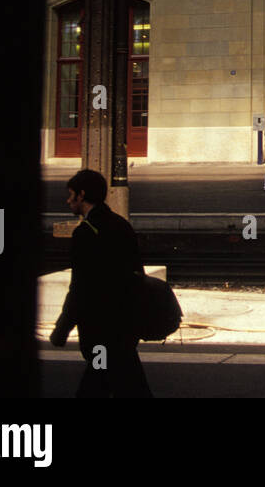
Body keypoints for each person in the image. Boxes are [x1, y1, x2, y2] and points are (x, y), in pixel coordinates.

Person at [49, 168, 152, 398]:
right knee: (125, 383)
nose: (68, 200)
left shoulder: (85, 234)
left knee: (97, 384)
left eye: (71, 194)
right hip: (125, 325)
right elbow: (138, 274)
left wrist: (62, 329)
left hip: (100, 328)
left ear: (82, 195)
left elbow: (80, 288)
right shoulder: (121, 225)